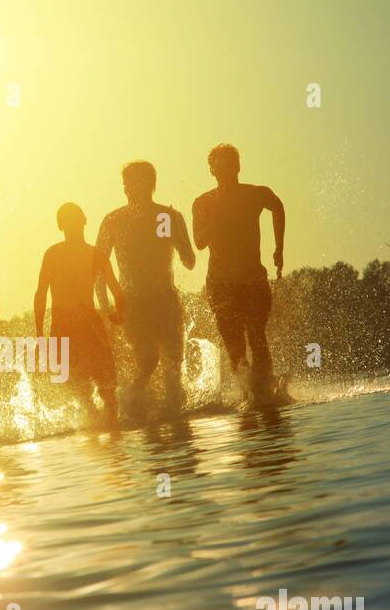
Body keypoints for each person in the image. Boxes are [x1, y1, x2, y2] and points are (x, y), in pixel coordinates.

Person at [95, 161, 196, 417]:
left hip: (164, 299)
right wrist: (106, 306)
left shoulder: (166, 216)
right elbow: (98, 266)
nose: (129, 189)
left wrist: (179, 234)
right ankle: (130, 404)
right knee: (149, 361)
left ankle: (170, 413)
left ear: (151, 184)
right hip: (133, 303)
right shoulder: (114, 220)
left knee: (173, 363)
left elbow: (189, 260)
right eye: (127, 184)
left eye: (133, 183)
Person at [192, 144, 285, 401]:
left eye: (230, 163)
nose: (226, 169)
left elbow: (277, 206)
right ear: (211, 170)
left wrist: (279, 248)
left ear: (239, 166)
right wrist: (215, 221)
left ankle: (266, 392)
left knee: (257, 334)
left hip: (252, 278)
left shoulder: (254, 194)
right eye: (220, 165)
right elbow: (199, 242)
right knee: (234, 343)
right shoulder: (203, 203)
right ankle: (248, 393)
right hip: (220, 283)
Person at [33, 203, 125, 427]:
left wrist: (119, 313)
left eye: (75, 220)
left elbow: (116, 288)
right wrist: (39, 334)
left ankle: (112, 425)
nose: (71, 225)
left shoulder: (96, 254)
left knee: (106, 381)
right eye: (66, 222)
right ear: (60, 226)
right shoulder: (52, 254)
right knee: (78, 384)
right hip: (62, 323)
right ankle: (93, 423)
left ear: (84, 221)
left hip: (88, 322)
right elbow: (41, 293)